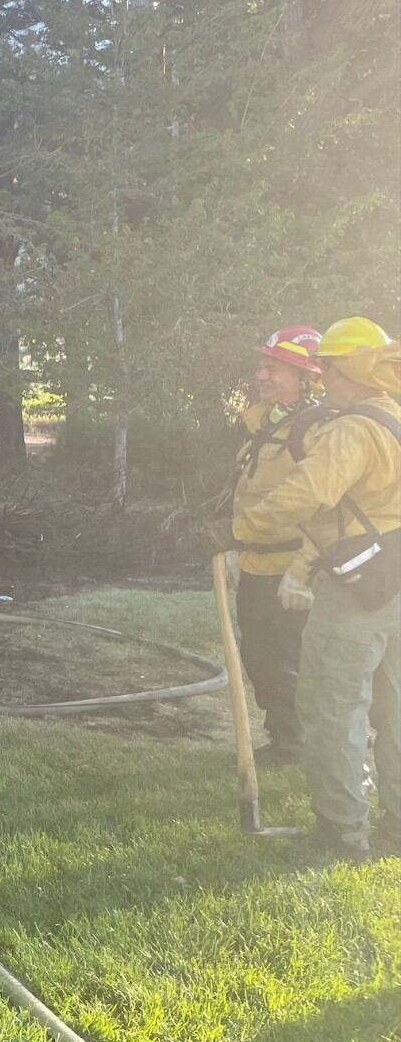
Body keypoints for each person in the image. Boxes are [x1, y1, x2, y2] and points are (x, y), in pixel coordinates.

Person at [231, 316, 401, 862]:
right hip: (393, 575)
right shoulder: (393, 415)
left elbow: (305, 495)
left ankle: (341, 834)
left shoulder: (352, 429)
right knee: (394, 705)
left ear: (334, 368)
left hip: (359, 586)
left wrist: (238, 531)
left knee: (332, 705)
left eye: (325, 364)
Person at [224, 326, 324, 766]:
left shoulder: (317, 429)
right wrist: (234, 547)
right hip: (256, 563)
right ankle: (285, 734)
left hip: (290, 570)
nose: (262, 376)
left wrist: (304, 570)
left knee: (291, 661)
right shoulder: (263, 422)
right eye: (262, 367)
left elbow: (323, 505)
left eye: (274, 369)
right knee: (259, 654)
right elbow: (250, 492)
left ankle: (303, 742)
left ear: (305, 378)